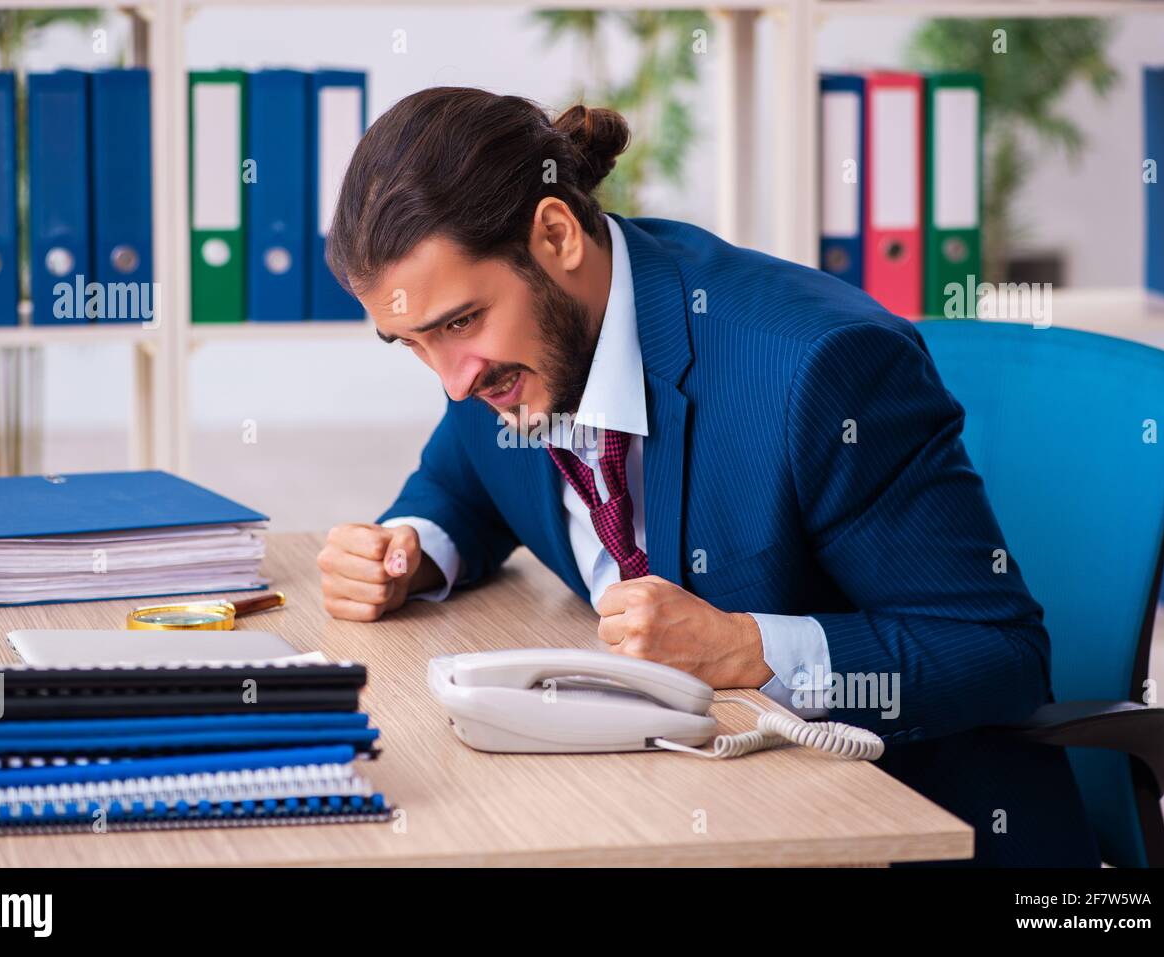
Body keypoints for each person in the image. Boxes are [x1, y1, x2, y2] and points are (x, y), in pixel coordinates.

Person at [316, 87, 1100, 866]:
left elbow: (998, 651)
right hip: (668, 809)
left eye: (459, 323)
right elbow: (461, 486)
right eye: (410, 342)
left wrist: (748, 648)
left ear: (555, 234)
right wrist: (410, 551)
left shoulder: (817, 371)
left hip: (894, 827)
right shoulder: (502, 362)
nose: (452, 380)